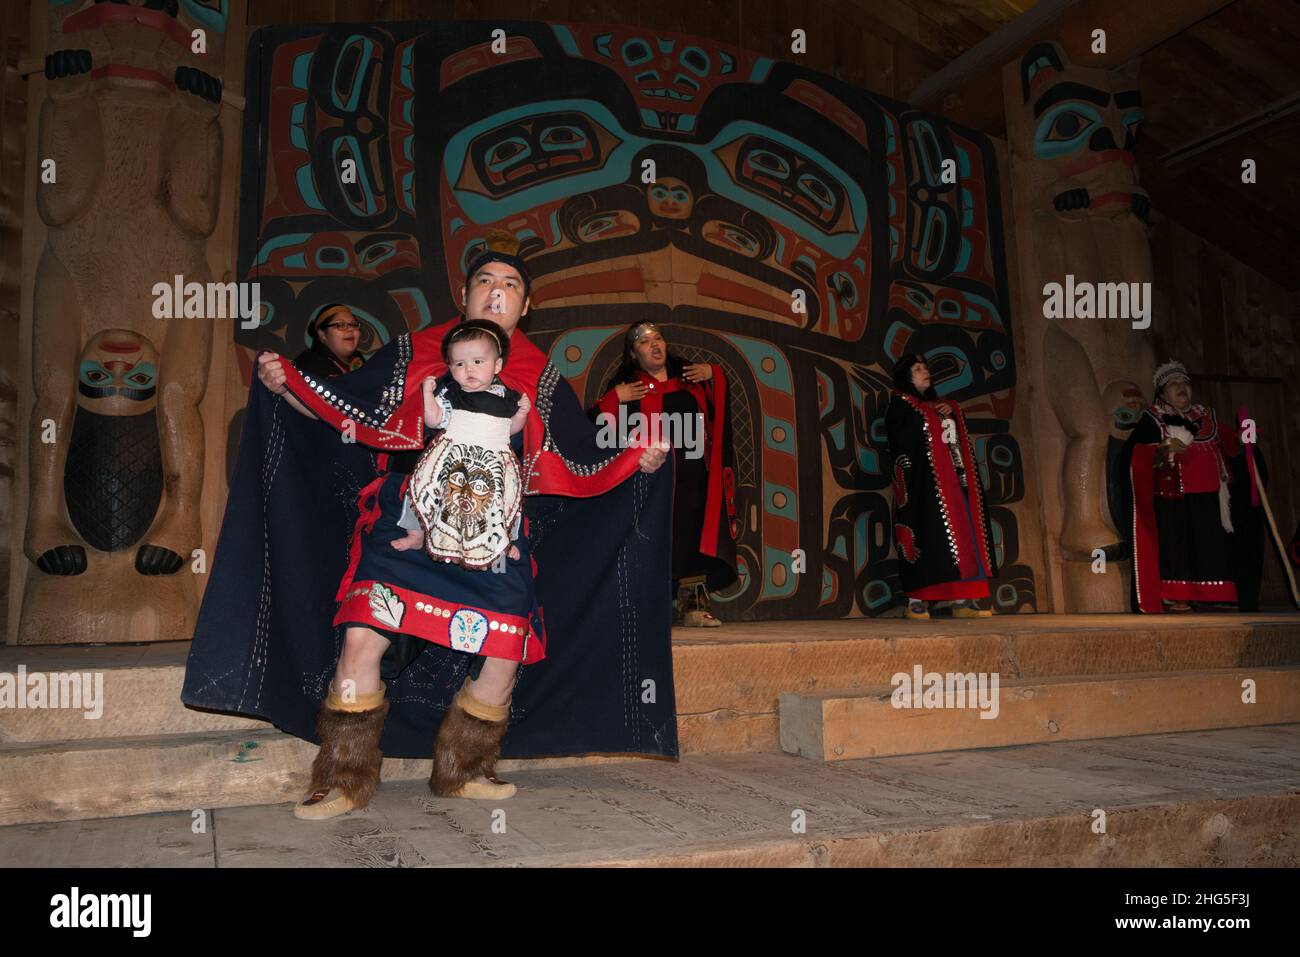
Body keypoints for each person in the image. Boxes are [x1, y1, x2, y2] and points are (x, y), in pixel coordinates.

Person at [181, 246, 672, 822]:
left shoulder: (539, 375)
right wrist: (290, 389)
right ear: (464, 296)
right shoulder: (417, 352)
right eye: (484, 280)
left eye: (510, 284)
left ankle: (464, 771)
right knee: (365, 638)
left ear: (526, 304)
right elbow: (351, 409)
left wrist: (633, 463)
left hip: (493, 536)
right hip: (408, 522)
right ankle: (342, 779)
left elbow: (578, 454)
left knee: (505, 649)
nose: (496, 290)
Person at [591, 322, 738, 626]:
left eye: (658, 338)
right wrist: (614, 398)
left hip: (693, 477)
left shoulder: (689, 380)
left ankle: (693, 607)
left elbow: (717, 409)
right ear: (634, 354)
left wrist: (714, 375)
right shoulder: (628, 388)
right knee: (648, 536)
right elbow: (596, 429)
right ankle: (645, 609)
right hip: (649, 479)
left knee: (692, 535)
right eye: (645, 342)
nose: (655, 345)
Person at [391, 320, 531, 569]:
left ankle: (503, 542)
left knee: (504, 501)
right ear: (450, 368)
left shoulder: (509, 397)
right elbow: (435, 420)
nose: (469, 369)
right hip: (451, 458)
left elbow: (510, 430)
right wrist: (427, 394)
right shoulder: (452, 393)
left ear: (497, 364)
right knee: (425, 491)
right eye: (459, 364)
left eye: (478, 361)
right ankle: (416, 535)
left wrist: (521, 414)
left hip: (493, 462)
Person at [1118, 361, 1237, 613]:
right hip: (1173, 496)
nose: (1181, 388)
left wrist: (1246, 438)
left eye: (1185, 383)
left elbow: (1233, 443)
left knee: (1208, 545)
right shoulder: (1153, 419)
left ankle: (1211, 594)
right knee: (1176, 546)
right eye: (1174, 384)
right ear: (1162, 393)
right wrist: (1162, 451)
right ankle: (1176, 595)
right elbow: (1132, 454)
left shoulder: (1205, 417)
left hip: (1208, 495)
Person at [885, 354, 997, 619]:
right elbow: (903, 443)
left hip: (950, 486)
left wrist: (952, 415)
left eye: (926, 368)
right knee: (926, 539)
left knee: (956, 538)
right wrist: (934, 416)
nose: (926, 372)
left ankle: (961, 599)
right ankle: (916, 599)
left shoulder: (941, 406)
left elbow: (953, 445)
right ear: (906, 376)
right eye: (918, 369)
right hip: (922, 488)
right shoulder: (901, 406)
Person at [293, 303, 365, 379]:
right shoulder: (306, 368)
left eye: (354, 324)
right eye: (340, 324)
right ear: (322, 334)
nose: (350, 329)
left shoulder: (364, 365)